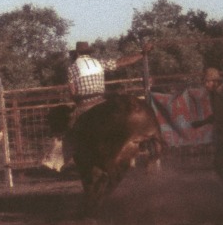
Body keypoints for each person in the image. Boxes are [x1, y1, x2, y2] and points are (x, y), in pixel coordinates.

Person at [43, 42, 147, 171]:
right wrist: (142, 54)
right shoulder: (99, 63)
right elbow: (122, 61)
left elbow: (73, 93)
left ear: (76, 54)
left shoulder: (72, 68)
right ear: (89, 53)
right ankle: (130, 153)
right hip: (102, 101)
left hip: (84, 104)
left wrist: (76, 99)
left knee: (70, 132)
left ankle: (54, 162)